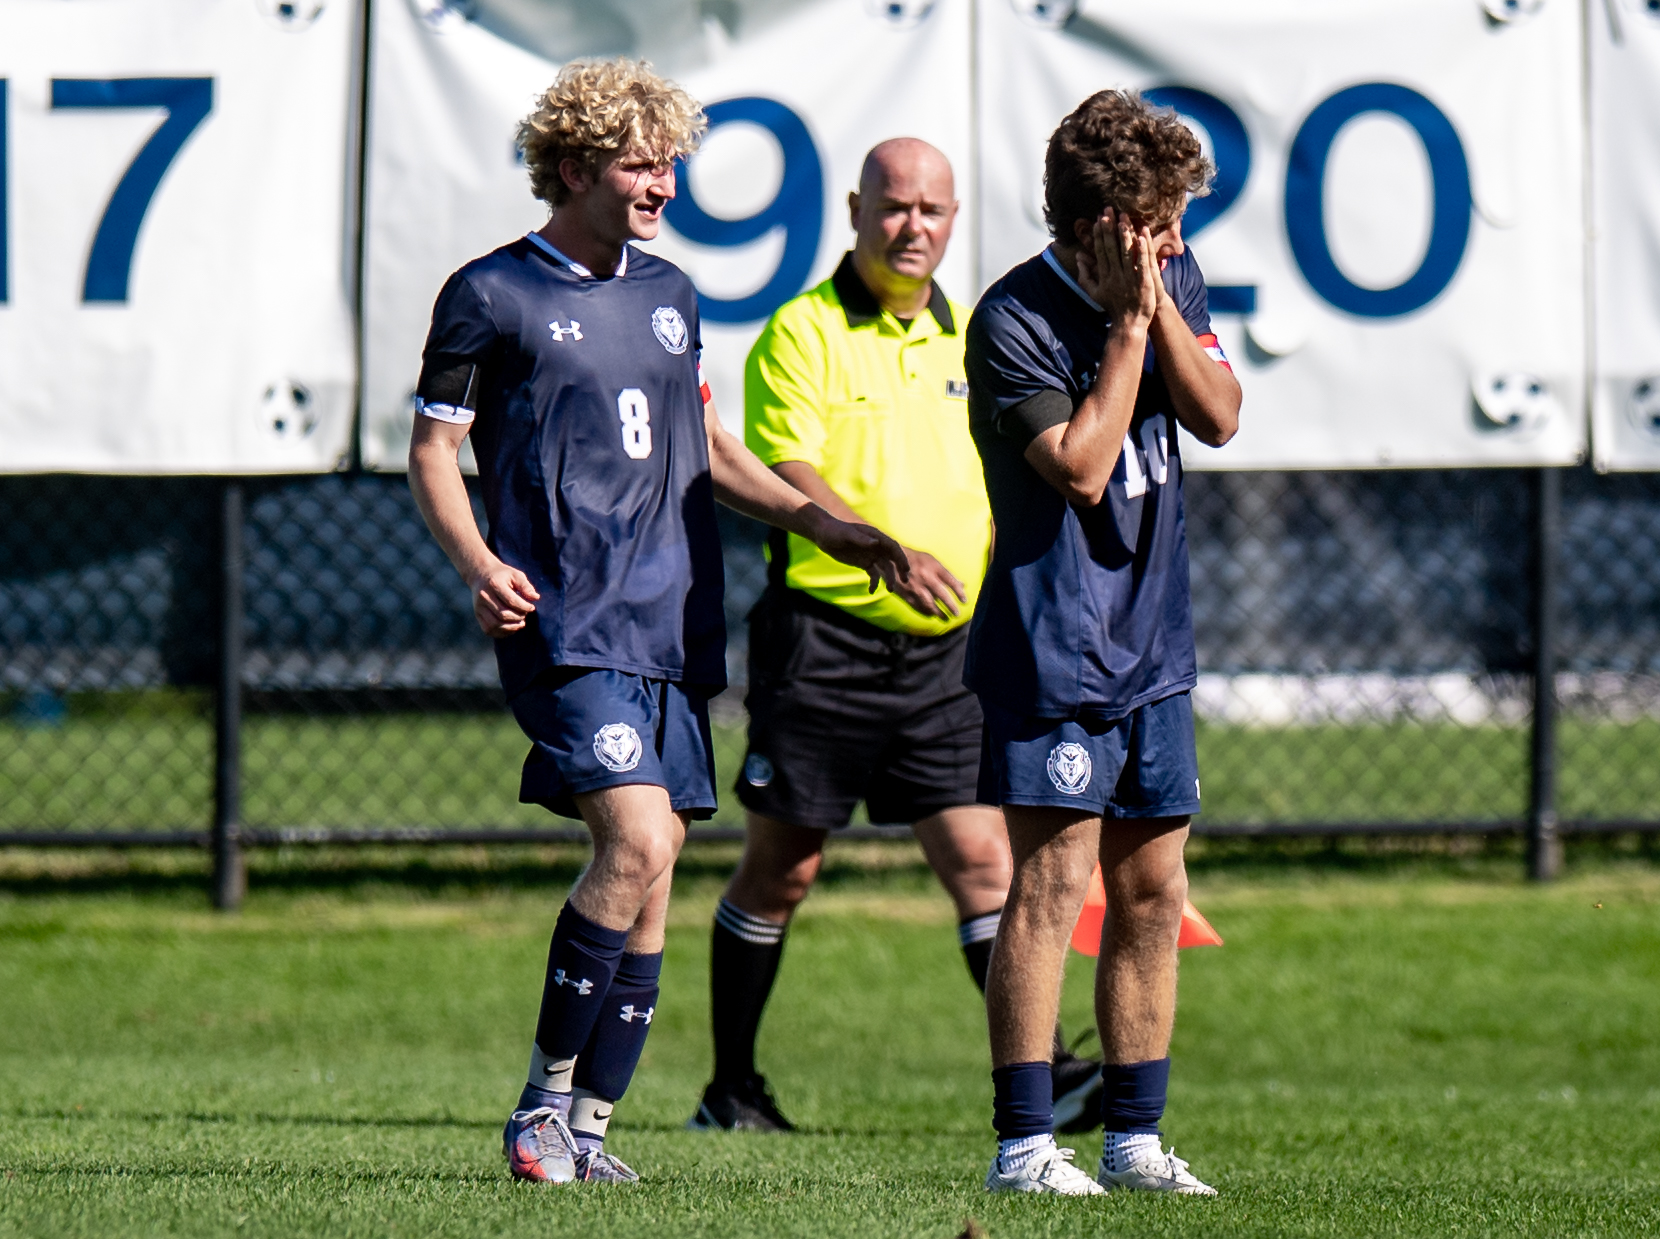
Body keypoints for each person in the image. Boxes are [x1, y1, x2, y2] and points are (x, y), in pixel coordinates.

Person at [406, 58, 908, 1185]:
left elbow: (708, 449)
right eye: (641, 163)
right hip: (565, 620)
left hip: (671, 627)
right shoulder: (490, 295)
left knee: (662, 862)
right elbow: (434, 451)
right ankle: (537, 1110)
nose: (664, 183)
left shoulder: (672, 293)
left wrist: (834, 527)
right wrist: (480, 562)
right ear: (574, 166)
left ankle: (589, 1129)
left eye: (671, 161)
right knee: (633, 841)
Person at [690, 137, 1104, 1133]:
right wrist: (879, 549)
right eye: (893, 207)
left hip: (948, 656)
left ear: (954, 219)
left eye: (931, 210)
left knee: (981, 863)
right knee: (782, 869)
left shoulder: (978, 337)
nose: (911, 227)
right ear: (855, 210)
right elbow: (789, 471)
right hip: (822, 643)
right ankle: (730, 1090)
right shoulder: (802, 330)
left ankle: (1043, 1075)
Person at [962, 89, 1242, 1196]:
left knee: (1153, 889)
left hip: (1152, 645)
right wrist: (1128, 329)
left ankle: (1133, 1140)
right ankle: (1024, 1147)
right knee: (1052, 881)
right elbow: (1079, 467)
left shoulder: (1172, 278)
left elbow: (1219, 414)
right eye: (1155, 224)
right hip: (1053, 646)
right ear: (1092, 228)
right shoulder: (1010, 319)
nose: (1174, 242)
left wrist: (1158, 303)